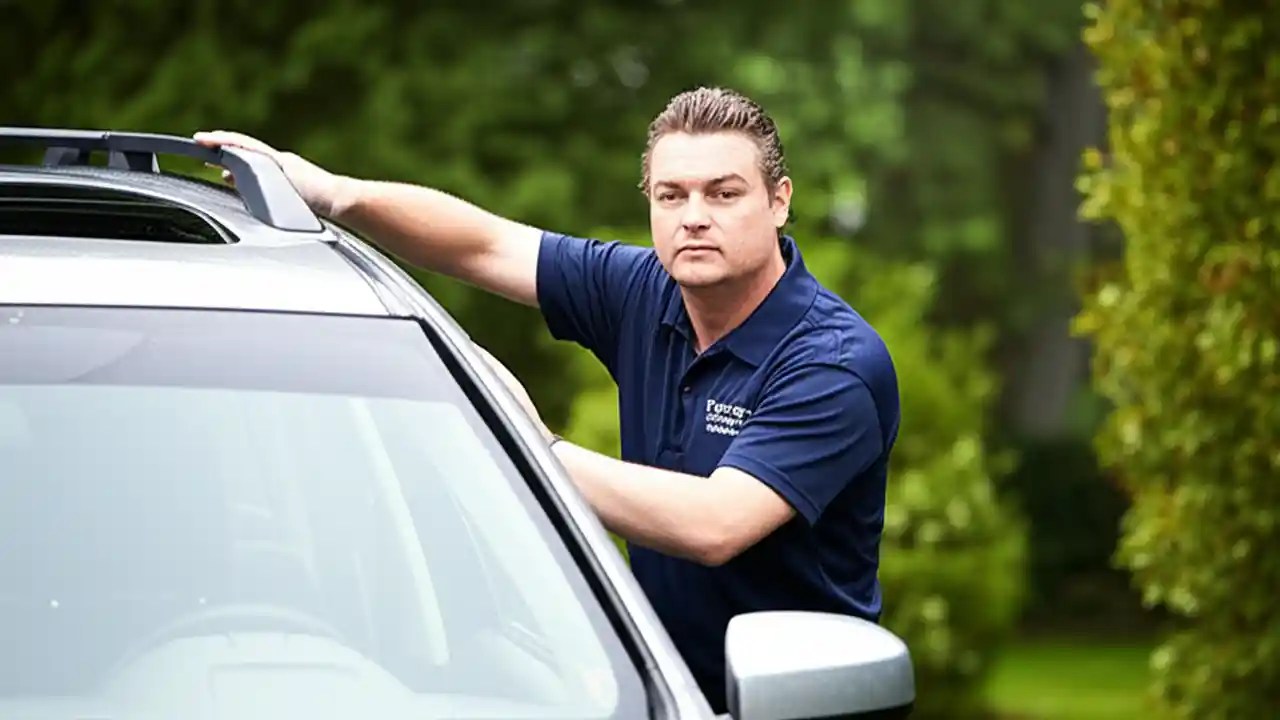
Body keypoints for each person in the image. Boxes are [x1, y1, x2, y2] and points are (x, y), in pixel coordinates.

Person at [194, 86, 899, 714]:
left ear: (779, 201)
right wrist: (333, 194)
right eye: (671, 195)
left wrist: (525, 442)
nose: (693, 218)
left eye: (724, 193)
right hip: (651, 698)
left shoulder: (832, 364)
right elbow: (487, 247)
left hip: (794, 706)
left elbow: (713, 525)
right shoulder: (645, 290)